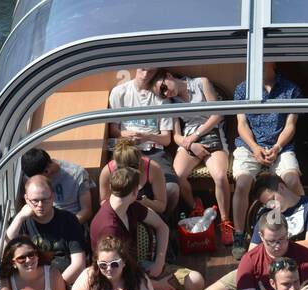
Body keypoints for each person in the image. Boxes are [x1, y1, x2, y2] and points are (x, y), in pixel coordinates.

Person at [149, 69, 234, 244]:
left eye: (164, 87)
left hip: (211, 133)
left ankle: (225, 221)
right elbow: (176, 137)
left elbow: (217, 114)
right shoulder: (171, 102)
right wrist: (191, 144)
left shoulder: (201, 83)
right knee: (177, 176)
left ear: (169, 76)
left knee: (219, 175)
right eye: (162, 93)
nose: (166, 93)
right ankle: (196, 207)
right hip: (189, 141)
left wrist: (196, 137)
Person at [232, 62, 304, 242]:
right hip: (249, 146)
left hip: (280, 145)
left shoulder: (291, 89)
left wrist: (278, 147)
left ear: (271, 64)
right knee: (242, 184)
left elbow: (291, 125)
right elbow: (242, 124)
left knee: (292, 180)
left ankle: (300, 226)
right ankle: (240, 235)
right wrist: (255, 148)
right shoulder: (242, 89)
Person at [106, 67, 181, 214]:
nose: (145, 75)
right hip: (127, 148)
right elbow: (113, 130)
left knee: (172, 189)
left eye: (151, 71)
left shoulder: (161, 98)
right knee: (122, 188)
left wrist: (146, 136)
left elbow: (166, 140)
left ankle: (164, 222)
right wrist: (127, 135)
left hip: (154, 150)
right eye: (143, 69)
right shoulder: (119, 92)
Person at [3, 176, 87, 286]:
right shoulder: (21, 222)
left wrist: (54, 288)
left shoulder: (68, 220)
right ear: (26, 199)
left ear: (52, 197)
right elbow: (2, 251)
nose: (40, 205)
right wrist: (19, 217)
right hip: (30, 284)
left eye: (44, 200)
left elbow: (78, 264)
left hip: (63, 282)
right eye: (35, 201)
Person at [246, 172, 308, 251]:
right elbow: (252, 251)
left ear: (282, 187)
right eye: (267, 204)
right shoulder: (266, 214)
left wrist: (272, 246)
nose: (271, 206)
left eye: (272, 199)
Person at [99, 137, 170, 218]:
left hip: (147, 213)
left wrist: (147, 203)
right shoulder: (107, 171)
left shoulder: (153, 169)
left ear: (140, 161)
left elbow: (161, 206)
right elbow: (103, 202)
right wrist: (119, 204)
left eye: (134, 169)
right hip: (119, 214)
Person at [20, 147, 95, 224]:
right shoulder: (30, 180)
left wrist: (69, 227)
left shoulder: (77, 174)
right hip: (44, 222)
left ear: (47, 170)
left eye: (40, 177)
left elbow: (86, 211)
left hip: (72, 221)